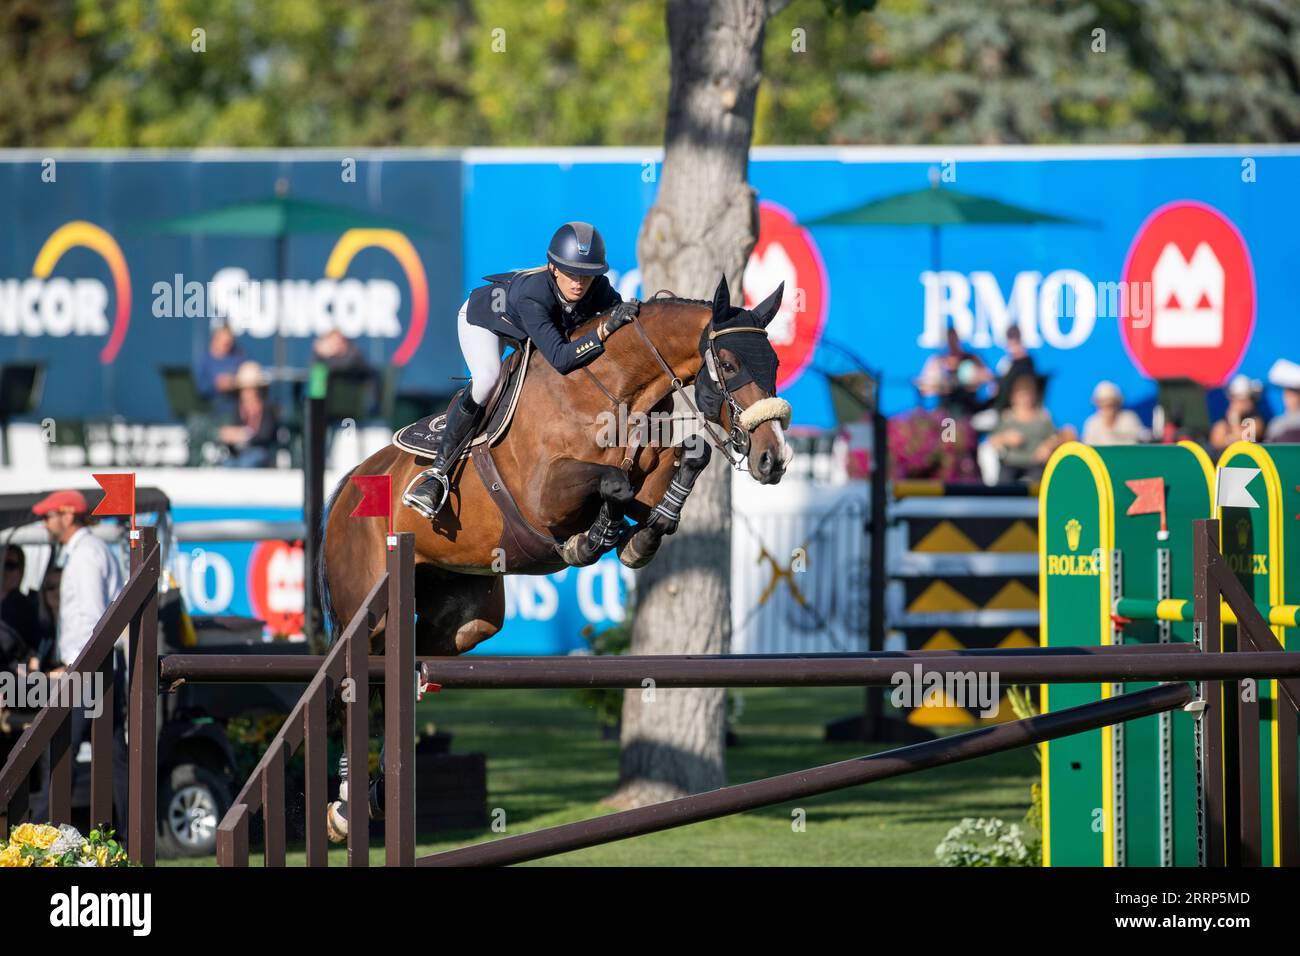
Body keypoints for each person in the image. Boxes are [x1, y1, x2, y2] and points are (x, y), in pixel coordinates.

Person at [403, 222, 640, 517]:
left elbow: (619, 324)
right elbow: (562, 358)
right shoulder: (534, 294)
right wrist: (604, 331)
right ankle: (438, 473)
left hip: (529, 332)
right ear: (554, 268)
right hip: (485, 321)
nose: (579, 282)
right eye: (571, 272)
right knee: (488, 380)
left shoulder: (599, 288)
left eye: (587, 275)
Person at [28, 490, 129, 832]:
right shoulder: (90, 550)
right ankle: (133, 836)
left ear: (68, 514)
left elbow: (92, 619)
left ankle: (39, 834)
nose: (44, 523)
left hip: (88, 668)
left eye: (48, 516)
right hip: (98, 667)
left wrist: (73, 668)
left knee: (59, 751)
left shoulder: (86, 555)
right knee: (113, 756)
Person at [987, 374, 1073, 483]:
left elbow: (1056, 436)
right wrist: (1005, 438)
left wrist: (1048, 446)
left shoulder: (1043, 417)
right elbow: (992, 439)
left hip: (1036, 464)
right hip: (1011, 464)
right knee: (1005, 483)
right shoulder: (1006, 417)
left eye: (1027, 395)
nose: (1024, 400)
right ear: (1013, 397)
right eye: (1020, 396)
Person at [218, 361, 280, 468]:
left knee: (247, 463)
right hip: (239, 453)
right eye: (244, 389)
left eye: (251, 389)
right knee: (228, 464)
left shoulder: (268, 408)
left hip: (260, 452)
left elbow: (265, 435)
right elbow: (231, 431)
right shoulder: (238, 408)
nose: (247, 393)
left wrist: (244, 435)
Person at [1210, 375, 1267, 454]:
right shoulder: (1221, 425)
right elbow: (1216, 443)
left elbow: (1241, 441)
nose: (1241, 404)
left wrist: (1234, 419)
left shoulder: (1257, 422)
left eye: (1246, 399)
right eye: (1238, 400)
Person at [1082, 381, 1149, 446]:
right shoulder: (1092, 423)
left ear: (1118, 403)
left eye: (1111, 404)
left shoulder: (1129, 419)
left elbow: (1142, 438)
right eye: (1102, 403)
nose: (1107, 408)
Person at [991, 325, 1037, 412]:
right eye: (1010, 344)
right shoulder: (1006, 363)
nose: (1011, 348)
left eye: (1015, 344)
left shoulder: (1027, 364)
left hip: (1015, 411)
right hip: (1000, 410)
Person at [1264, 359, 1300, 443]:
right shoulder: (1277, 424)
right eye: (1288, 392)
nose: (1288, 397)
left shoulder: (1278, 425)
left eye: (1294, 392)